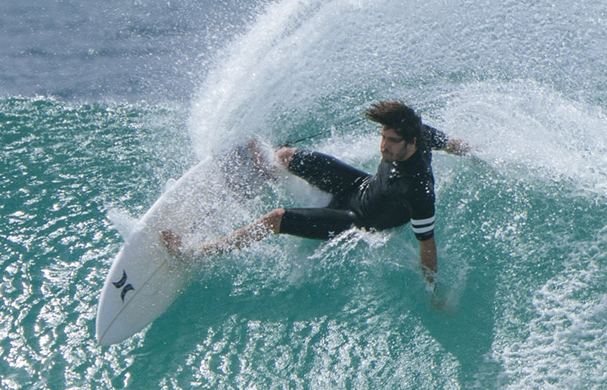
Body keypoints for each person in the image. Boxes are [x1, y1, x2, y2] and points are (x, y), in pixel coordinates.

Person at [162, 100, 468, 282]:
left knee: (276, 218)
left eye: (392, 141)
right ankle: (265, 170)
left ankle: (198, 251)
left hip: (357, 219)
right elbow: (452, 144)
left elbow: (427, 245)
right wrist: (478, 152)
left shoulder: (418, 189)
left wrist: (432, 288)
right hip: (359, 186)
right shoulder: (419, 133)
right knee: (285, 156)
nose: (383, 146)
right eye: (382, 137)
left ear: (411, 143)